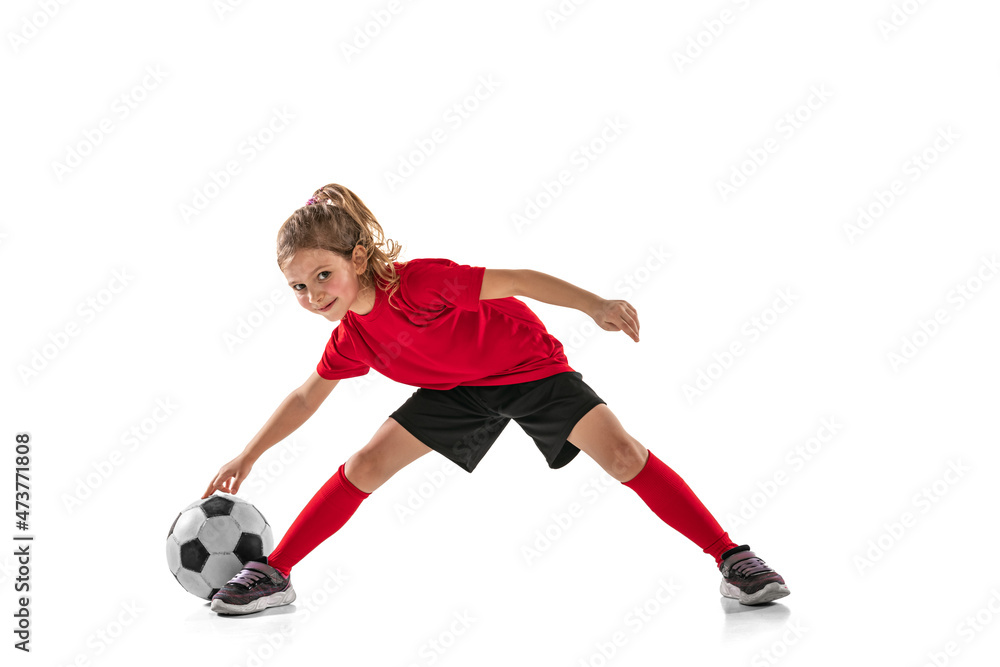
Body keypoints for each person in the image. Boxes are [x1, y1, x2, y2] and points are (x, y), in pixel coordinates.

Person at [202, 183, 790, 615]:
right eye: (298, 287)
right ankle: (274, 575)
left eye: (322, 276)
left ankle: (732, 559)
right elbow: (307, 397)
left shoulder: (421, 285)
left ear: (357, 259)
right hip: (455, 391)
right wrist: (247, 455)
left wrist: (597, 306)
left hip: (529, 369)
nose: (311, 296)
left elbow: (520, 279)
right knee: (366, 464)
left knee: (623, 456)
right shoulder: (353, 338)